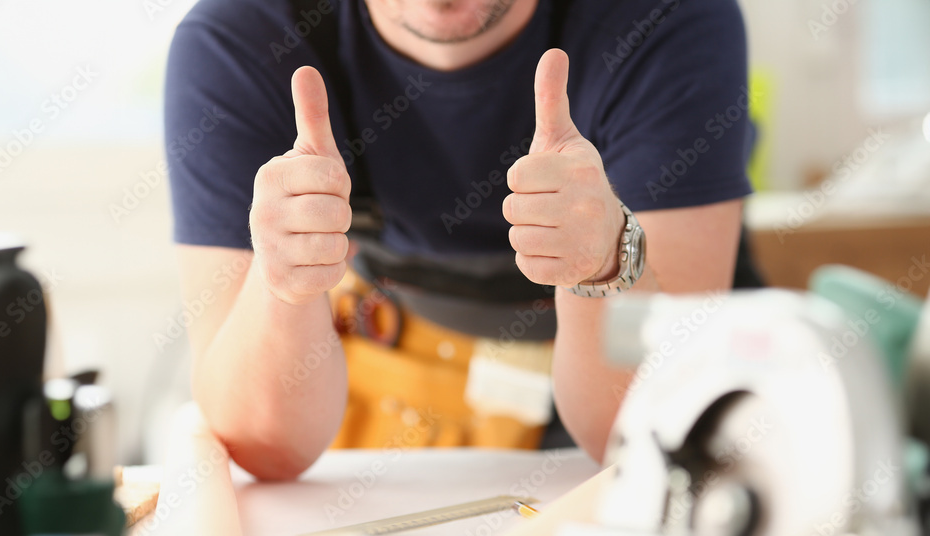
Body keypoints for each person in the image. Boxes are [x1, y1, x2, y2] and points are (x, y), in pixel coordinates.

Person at [165, 0, 758, 480]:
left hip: (627, 337)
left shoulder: (669, 20)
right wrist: (281, 290)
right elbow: (265, 451)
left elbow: (660, 430)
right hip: (407, 339)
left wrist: (603, 262)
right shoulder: (236, 41)